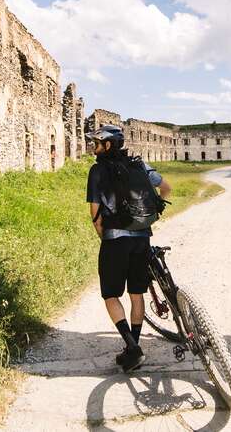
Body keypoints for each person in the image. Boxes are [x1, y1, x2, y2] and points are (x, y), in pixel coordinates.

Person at [85, 124, 172, 373]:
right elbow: (166, 188)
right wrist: (146, 220)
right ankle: (133, 345)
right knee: (137, 294)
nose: (94, 147)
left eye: (97, 143)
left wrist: (105, 237)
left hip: (115, 239)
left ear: (108, 145)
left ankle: (132, 347)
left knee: (110, 295)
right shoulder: (139, 165)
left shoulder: (97, 171)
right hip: (141, 238)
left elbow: (95, 213)